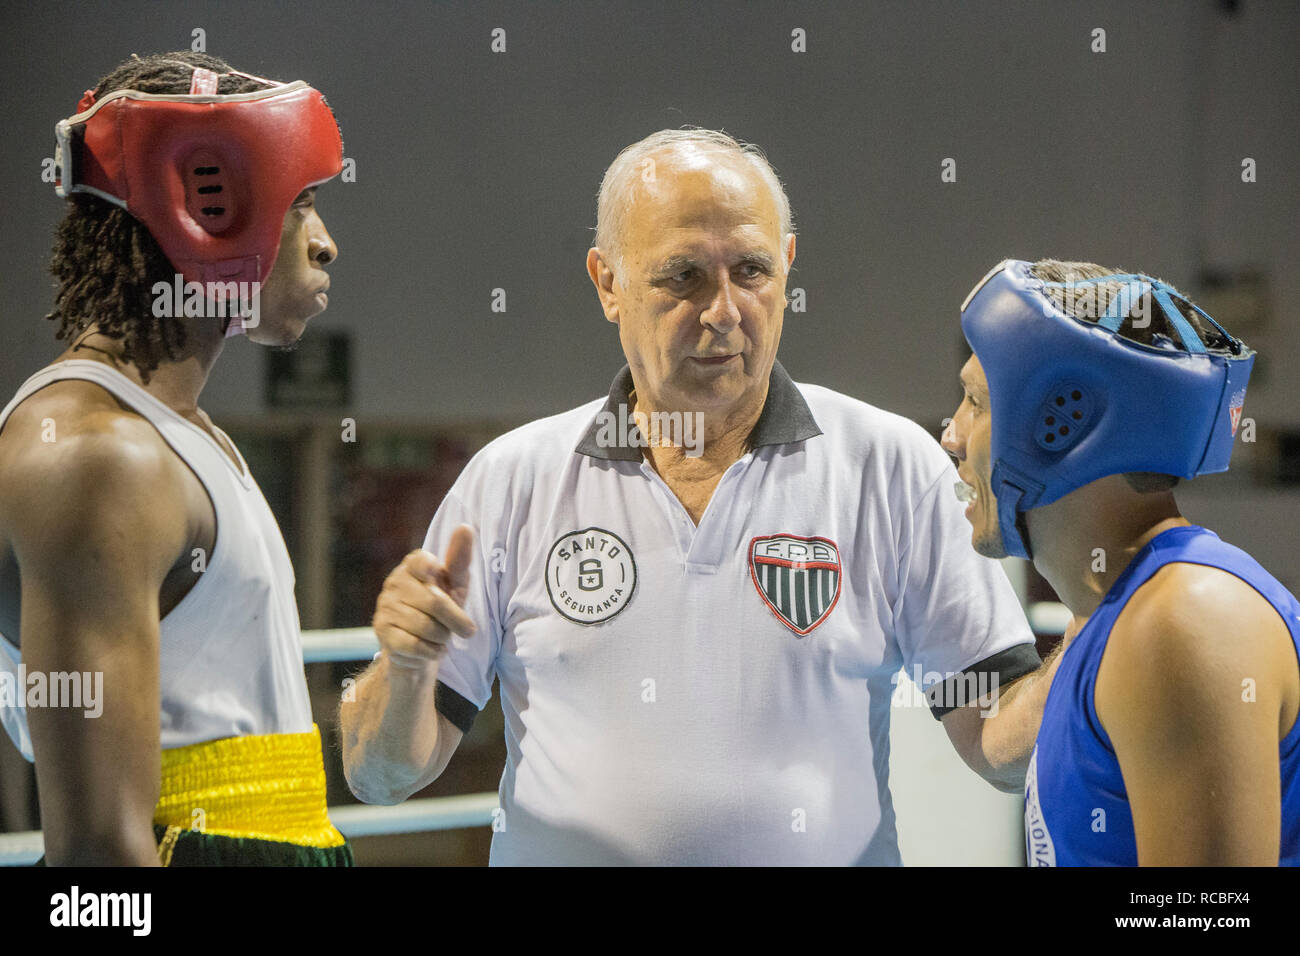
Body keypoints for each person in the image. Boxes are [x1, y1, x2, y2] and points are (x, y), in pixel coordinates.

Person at [342, 130, 1066, 865]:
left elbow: (996, 744)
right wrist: (403, 670)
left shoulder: (890, 468)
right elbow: (381, 776)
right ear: (607, 284)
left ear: (787, 266)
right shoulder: (512, 483)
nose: (723, 310)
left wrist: (1110, 617)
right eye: (683, 276)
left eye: (750, 270)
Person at [0, 51, 349, 866]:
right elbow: (94, 856)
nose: (328, 246)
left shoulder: (177, 434)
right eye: (303, 204)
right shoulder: (96, 458)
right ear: (208, 207)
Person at [942, 258, 1300, 865]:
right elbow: (993, 745)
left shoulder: (1184, 620)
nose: (951, 434)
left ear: (1059, 421)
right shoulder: (1111, 617)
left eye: (975, 400)